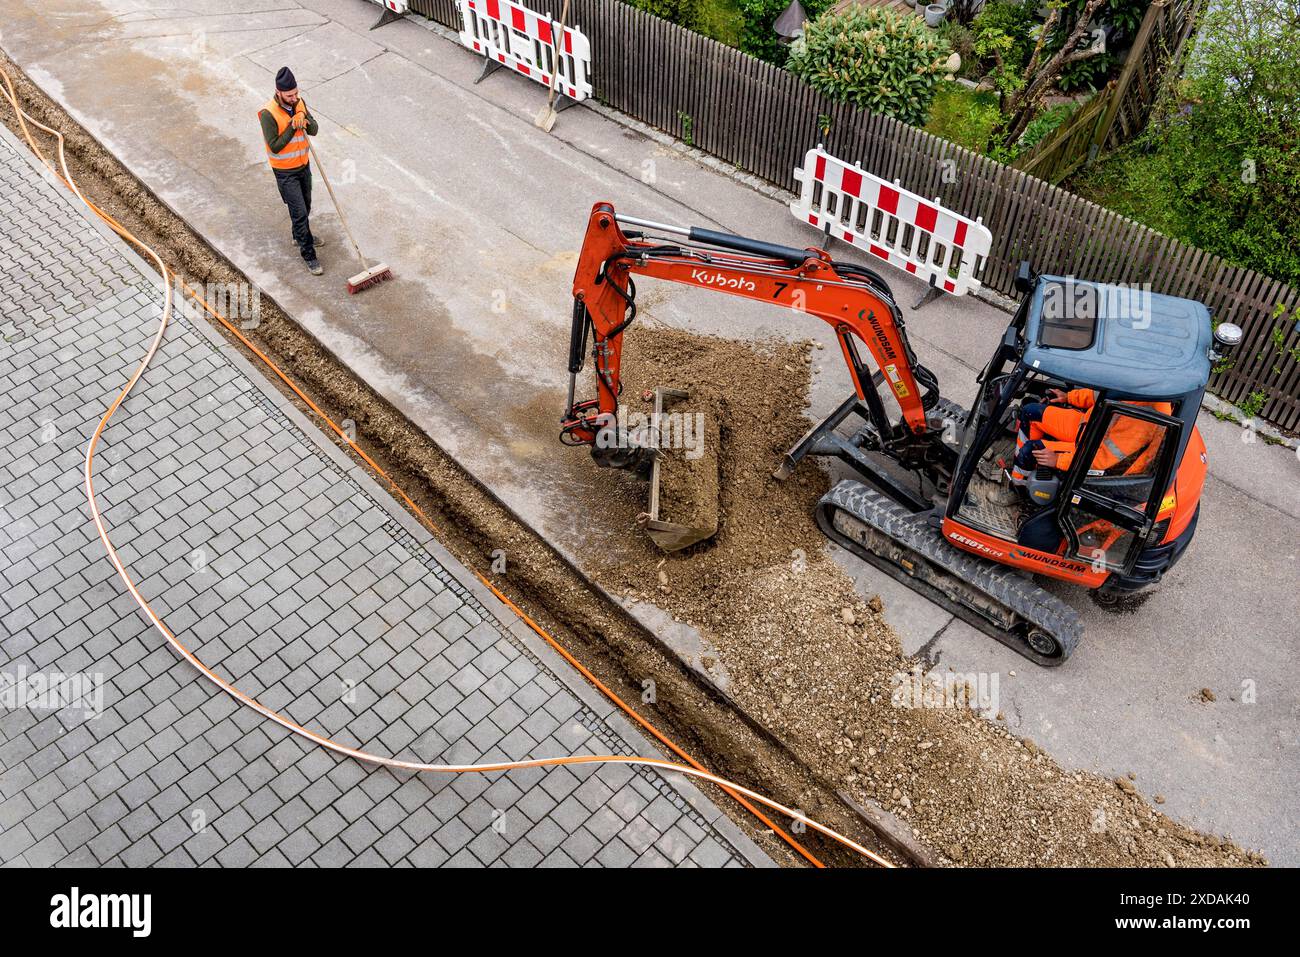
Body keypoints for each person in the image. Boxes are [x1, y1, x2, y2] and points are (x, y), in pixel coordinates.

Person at [259, 67, 324, 275]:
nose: (294, 97)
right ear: (279, 93)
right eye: (290, 95)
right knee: (299, 213)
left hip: (303, 165)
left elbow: (314, 129)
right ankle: (309, 254)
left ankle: (299, 235)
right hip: (285, 172)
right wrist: (293, 126)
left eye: (296, 93)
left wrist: (304, 119)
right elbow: (275, 145)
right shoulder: (267, 113)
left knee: (306, 205)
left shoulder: (299, 103)